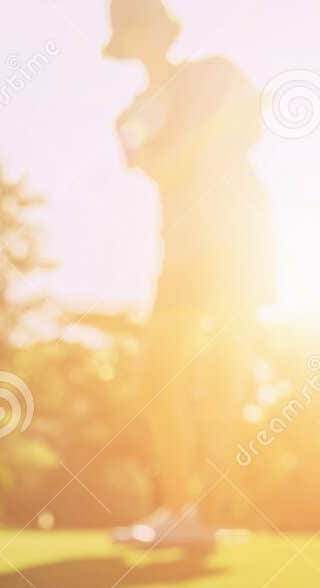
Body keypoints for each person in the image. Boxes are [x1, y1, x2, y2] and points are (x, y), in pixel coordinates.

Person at [105, 0, 273, 548]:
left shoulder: (217, 71)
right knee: (162, 376)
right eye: (130, 29)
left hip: (240, 244)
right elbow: (166, 167)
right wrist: (200, 131)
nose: (141, 36)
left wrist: (195, 131)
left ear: (164, 27)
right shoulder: (129, 116)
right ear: (124, 44)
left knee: (228, 374)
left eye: (145, 22)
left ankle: (213, 512)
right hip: (182, 254)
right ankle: (181, 510)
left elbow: (249, 124)